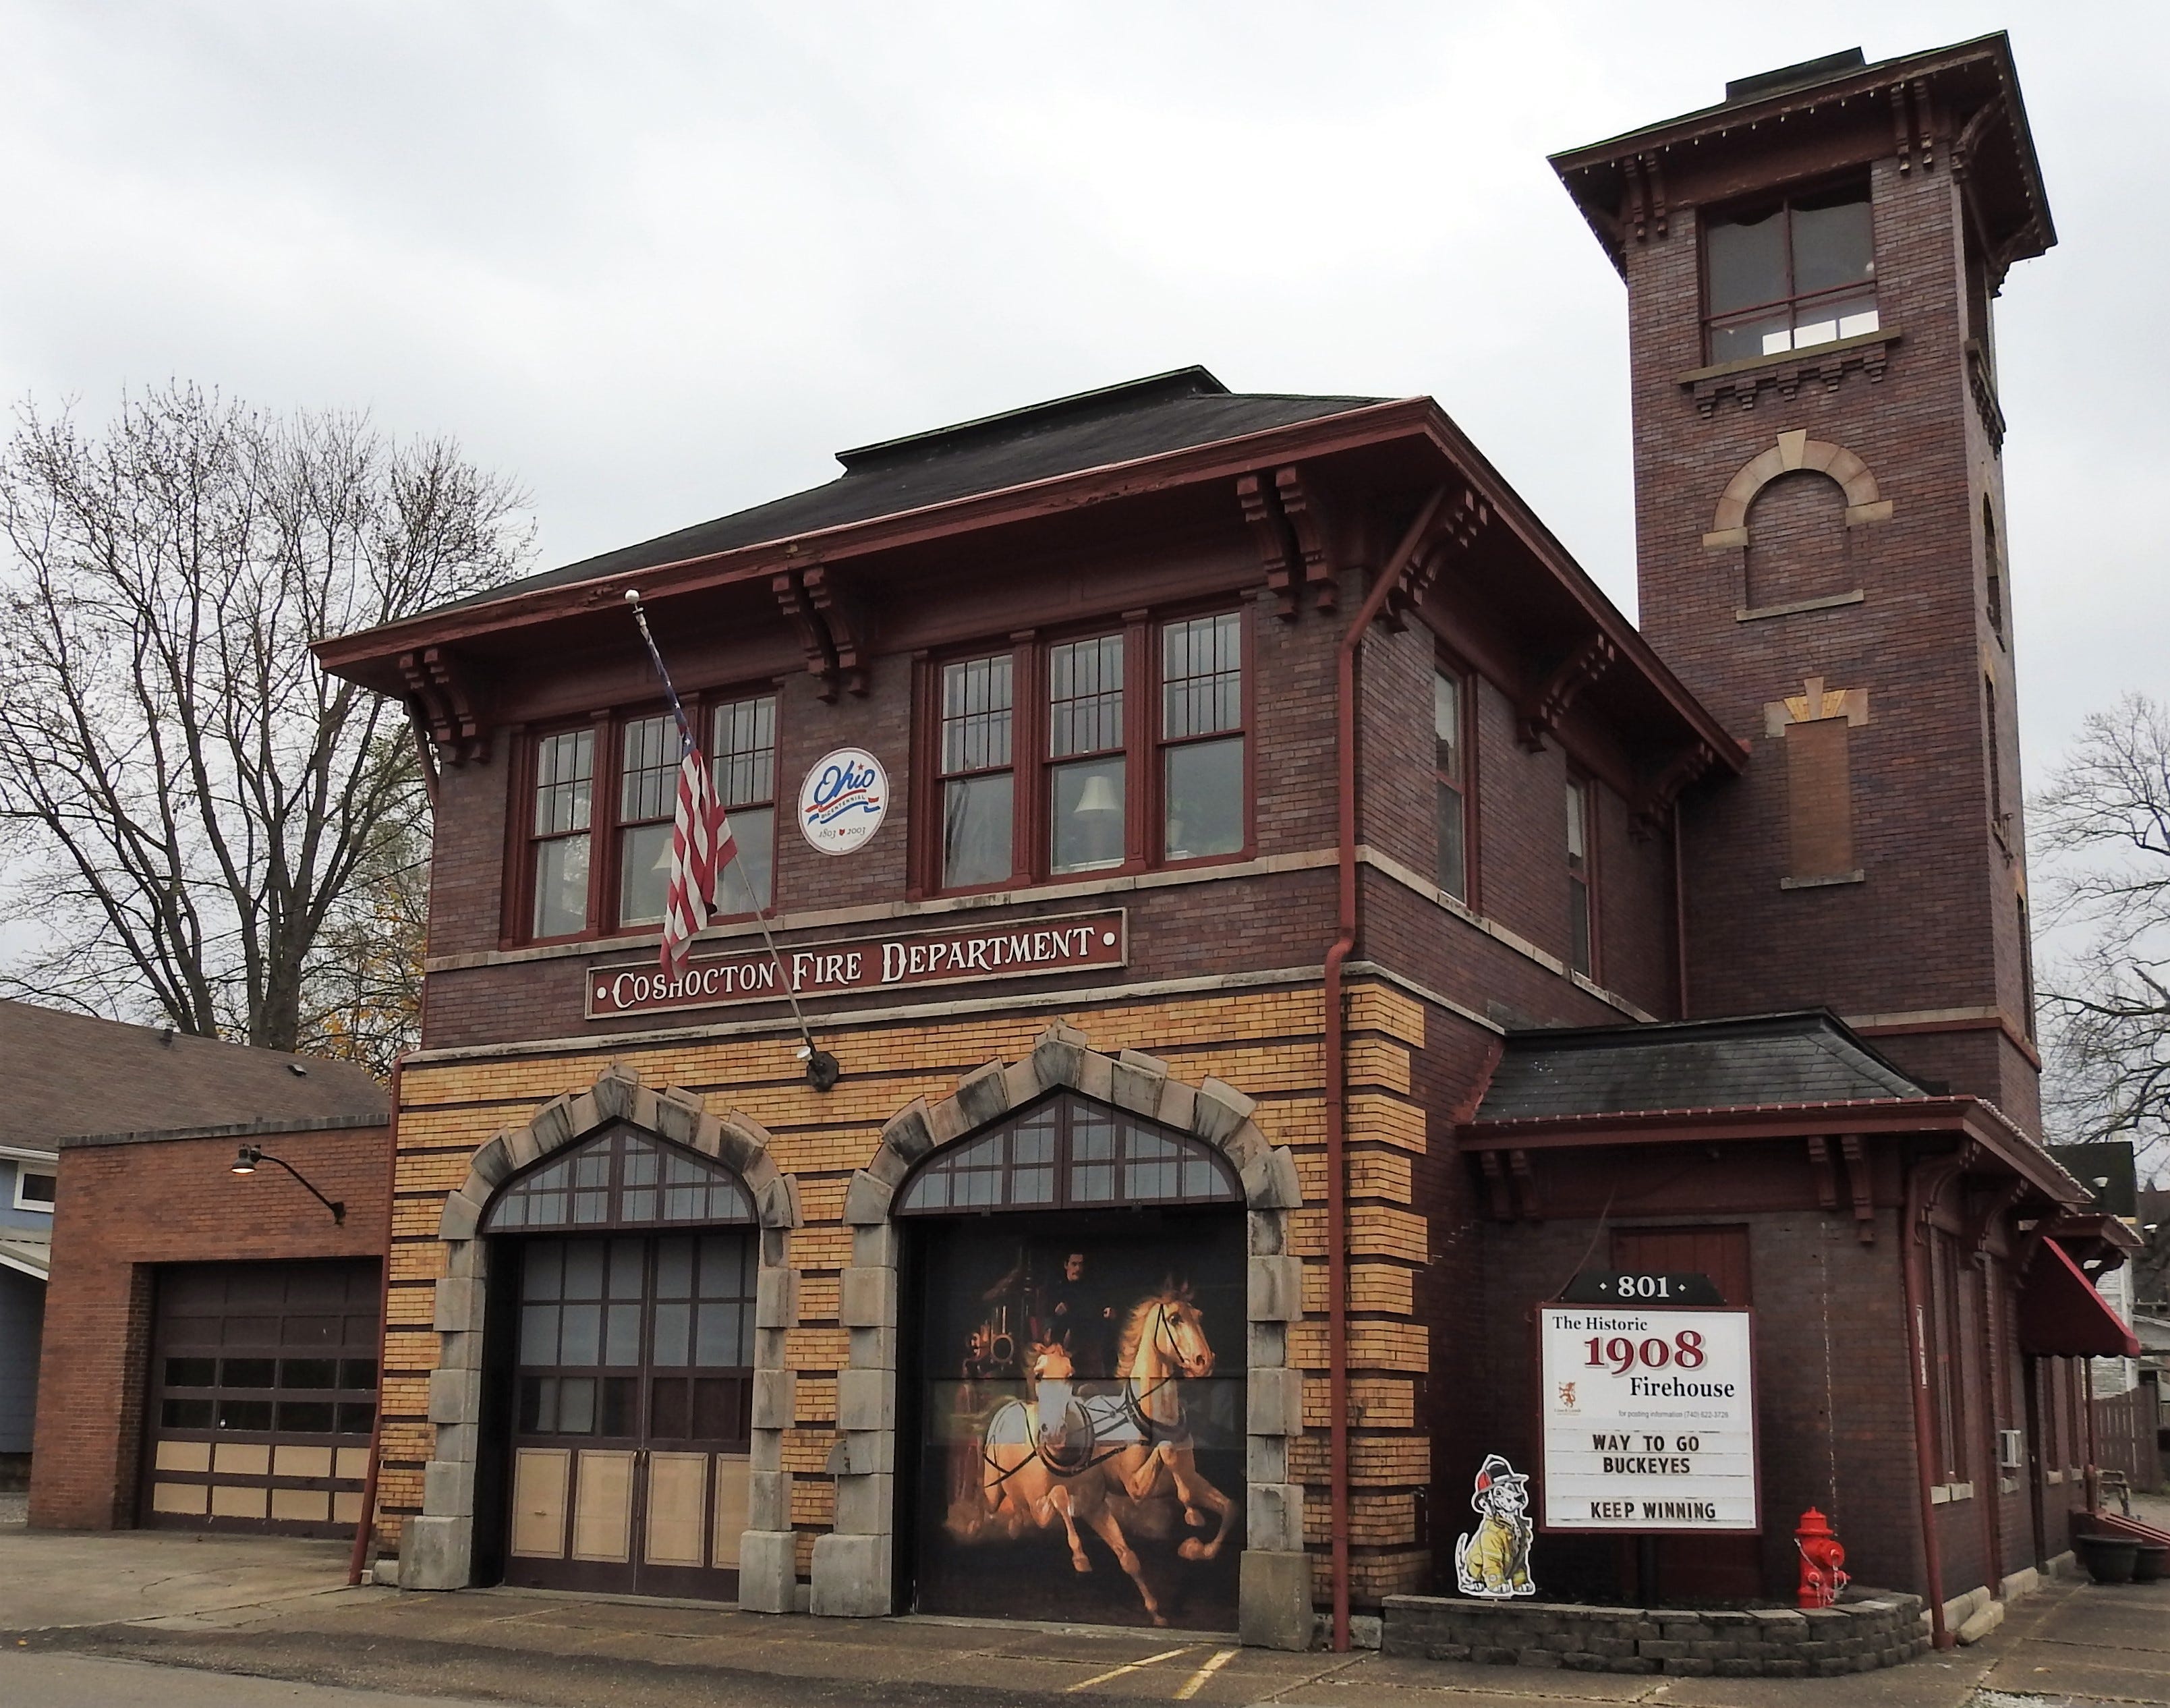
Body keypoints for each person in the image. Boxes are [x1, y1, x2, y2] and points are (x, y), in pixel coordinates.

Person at [1040, 1249, 1114, 1377]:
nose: (1078, 1268)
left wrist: (1108, 1312)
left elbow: (1096, 1311)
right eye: (1074, 1264)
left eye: (1081, 1264)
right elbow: (1046, 1320)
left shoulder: (1089, 1289)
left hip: (1084, 1341)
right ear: (1066, 1265)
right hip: (1059, 1344)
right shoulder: (1055, 1289)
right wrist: (1056, 1314)